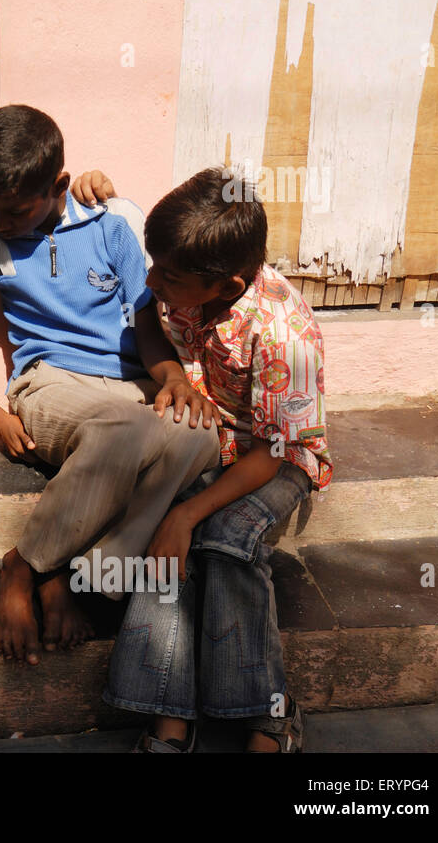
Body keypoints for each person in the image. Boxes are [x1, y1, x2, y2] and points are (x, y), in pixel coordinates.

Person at [0, 105, 221, 663]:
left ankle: (76, 570)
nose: (1, 224)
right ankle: (23, 567)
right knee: (131, 429)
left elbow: (148, 323)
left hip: (130, 388)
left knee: (200, 438)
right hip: (48, 385)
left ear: (59, 183)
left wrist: (175, 378)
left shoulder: (114, 220)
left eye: (15, 211)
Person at [101, 167, 332, 752]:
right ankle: (170, 716)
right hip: (213, 439)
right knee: (163, 528)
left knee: (225, 537)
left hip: (276, 455)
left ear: (225, 284)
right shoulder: (176, 282)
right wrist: (172, 375)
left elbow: (274, 451)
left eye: (168, 276)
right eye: (153, 265)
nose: (151, 280)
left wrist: (188, 515)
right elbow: (147, 323)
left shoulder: (284, 330)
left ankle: (268, 718)